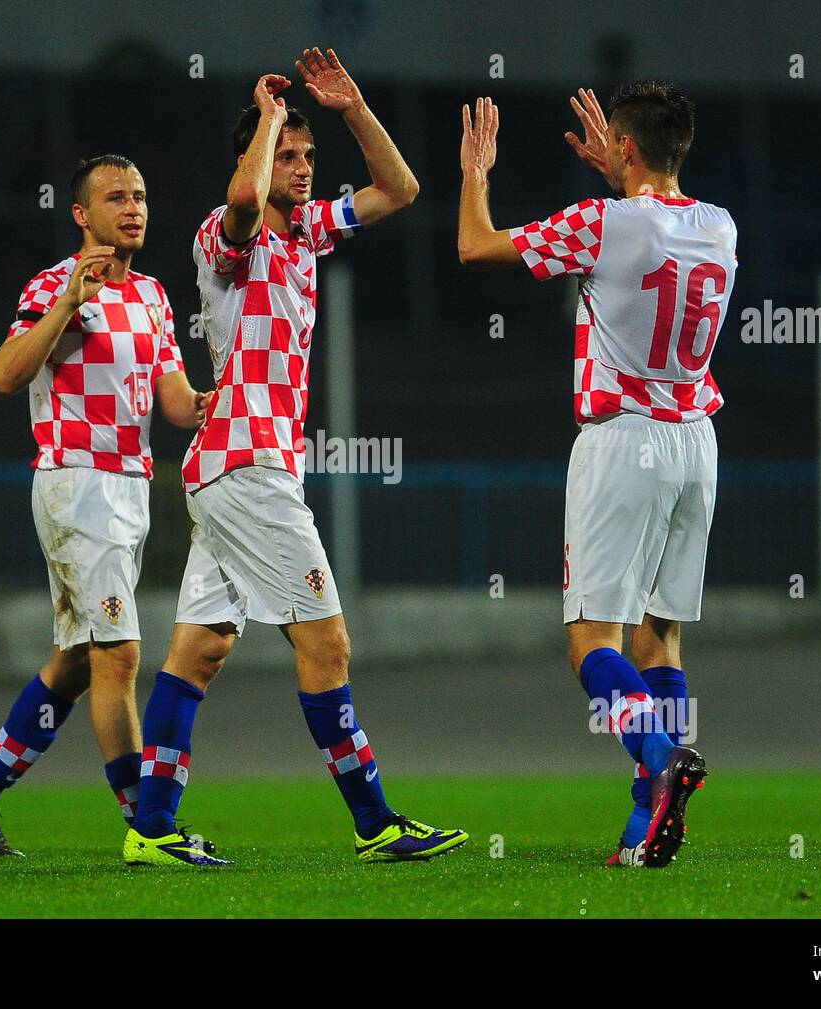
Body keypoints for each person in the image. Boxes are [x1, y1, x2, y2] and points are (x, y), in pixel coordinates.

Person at [122, 48, 467, 868]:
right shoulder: (223, 237)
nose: (304, 169)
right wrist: (269, 116)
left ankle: (152, 825)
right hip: (248, 471)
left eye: (311, 158)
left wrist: (350, 109)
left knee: (198, 651)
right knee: (328, 643)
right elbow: (245, 197)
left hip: (236, 470)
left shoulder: (308, 232)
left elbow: (402, 190)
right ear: (257, 156)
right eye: (289, 156)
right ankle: (375, 818)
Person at [457, 83, 736, 868]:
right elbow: (652, 221)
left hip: (623, 442)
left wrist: (476, 170)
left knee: (592, 640)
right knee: (662, 635)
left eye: (613, 142)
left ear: (626, 149)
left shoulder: (600, 223)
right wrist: (622, 170)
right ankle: (642, 835)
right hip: (696, 443)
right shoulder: (720, 225)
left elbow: (475, 245)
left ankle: (659, 761)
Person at [0, 155, 212, 856]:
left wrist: (210, 402)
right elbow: (5, 372)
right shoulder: (54, 286)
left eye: (142, 196)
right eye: (115, 196)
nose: (133, 208)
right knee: (120, 653)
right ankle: (146, 824)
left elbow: (174, 399)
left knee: (76, 660)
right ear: (81, 215)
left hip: (129, 487)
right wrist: (67, 301)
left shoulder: (152, 294)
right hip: (76, 484)